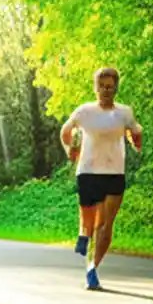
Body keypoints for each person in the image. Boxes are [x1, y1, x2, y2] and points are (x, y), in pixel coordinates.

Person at [60, 66, 143, 290]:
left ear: (116, 88)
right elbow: (66, 131)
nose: (106, 90)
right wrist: (69, 148)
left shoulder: (124, 112)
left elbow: (136, 128)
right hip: (88, 171)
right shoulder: (84, 111)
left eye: (110, 86)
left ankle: (92, 268)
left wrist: (137, 139)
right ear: (95, 87)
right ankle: (83, 237)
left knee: (105, 226)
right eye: (102, 86)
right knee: (89, 219)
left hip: (115, 172)